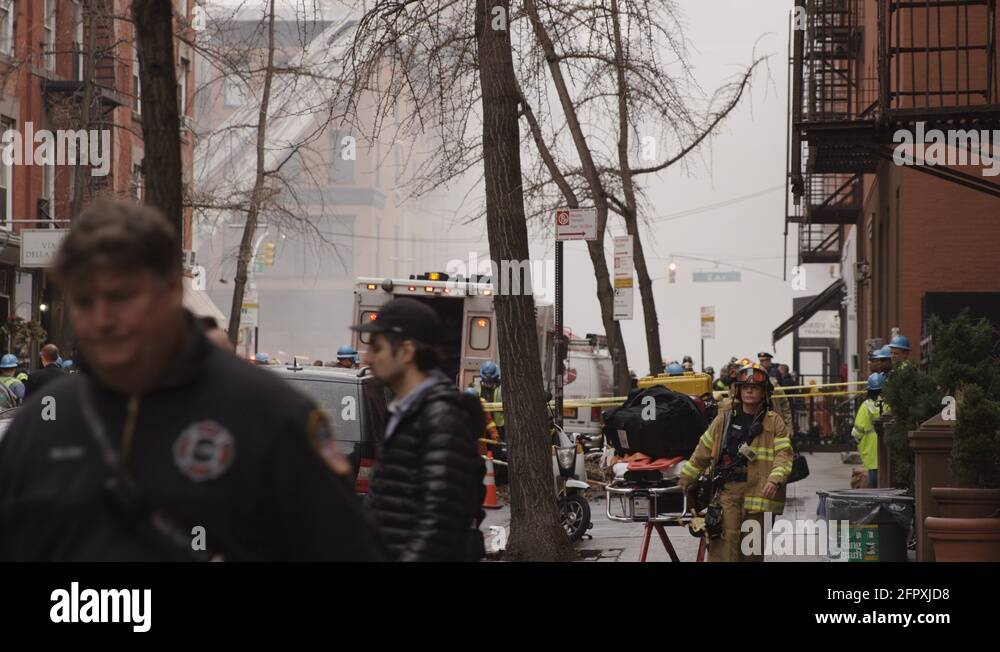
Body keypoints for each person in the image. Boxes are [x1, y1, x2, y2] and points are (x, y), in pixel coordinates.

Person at [0, 199, 383, 561]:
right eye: (85, 302)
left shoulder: (270, 416)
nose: (102, 319)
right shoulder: (43, 426)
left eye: (120, 298)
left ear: (170, 291)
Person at [353, 297, 486, 561]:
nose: (368, 358)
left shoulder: (442, 418)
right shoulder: (406, 411)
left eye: (377, 348)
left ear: (406, 352)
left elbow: (439, 524)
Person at [678, 363, 793, 562]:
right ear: (737, 390)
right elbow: (702, 452)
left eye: (755, 387)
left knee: (751, 554)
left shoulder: (775, 423)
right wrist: (683, 481)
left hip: (758, 497)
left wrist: (775, 479)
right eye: (744, 387)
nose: (749, 390)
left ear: (764, 392)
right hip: (728, 495)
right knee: (723, 550)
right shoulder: (724, 420)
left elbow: (784, 454)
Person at [852, 372, 890, 488]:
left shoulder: (865, 406)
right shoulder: (889, 403)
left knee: (873, 474)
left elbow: (858, 430)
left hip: (870, 447)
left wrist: (857, 440)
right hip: (887, 444)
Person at [759, 351, 792, 429]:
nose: (761, 363)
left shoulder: (774, 372)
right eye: (761, 361)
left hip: (775, 404)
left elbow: (774, 387)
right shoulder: (760, 371)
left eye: (764, 361)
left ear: (769, 361)